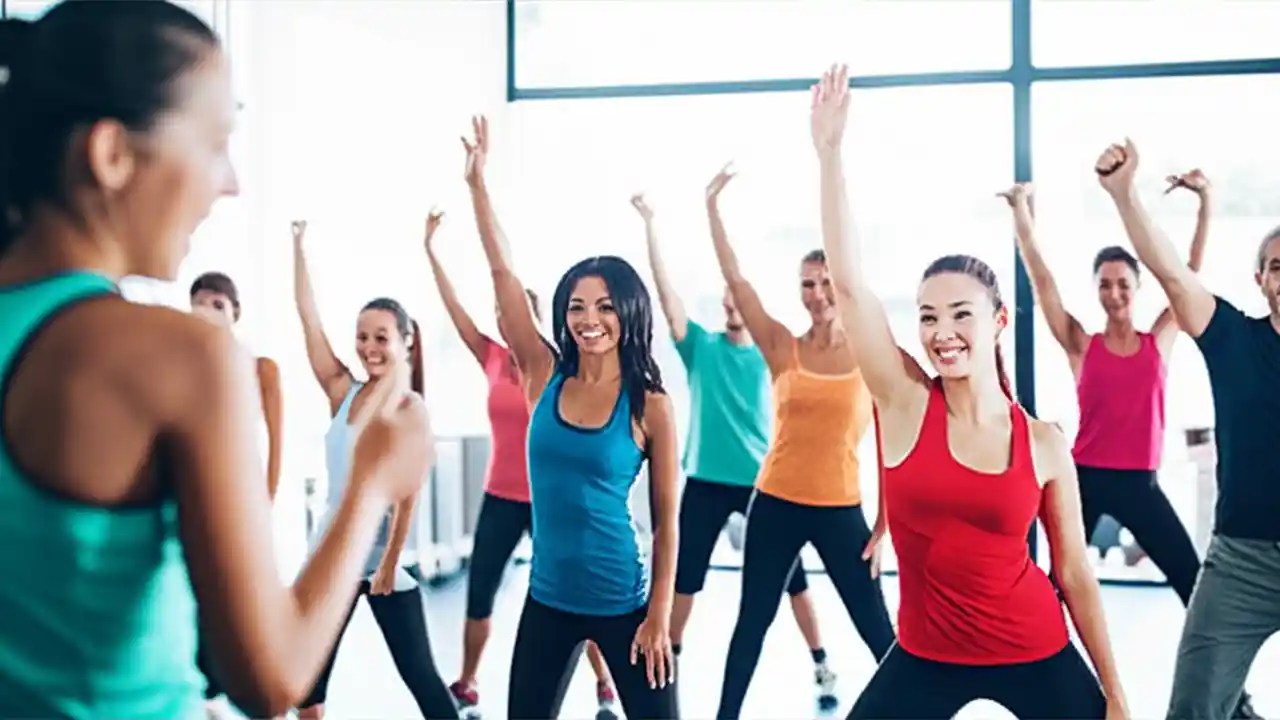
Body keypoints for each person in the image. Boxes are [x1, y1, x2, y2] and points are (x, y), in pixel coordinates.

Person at [0, 3, 430, 719]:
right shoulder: (183, 357)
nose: (230, 182)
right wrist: (372, 481)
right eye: (214, 144)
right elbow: (270, 679)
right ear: (112, 154)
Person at [801, 64, 1126, 718]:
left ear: (998, 321)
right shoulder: (904, 403)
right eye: (927, 317)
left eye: (960, 315)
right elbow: (851, 286)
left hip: (1034, 647)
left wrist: (1115, 695)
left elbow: (1074, 575)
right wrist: (829, 153)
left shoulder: (1044, 443)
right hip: (925, 655)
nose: (942, 333)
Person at [461, 114, 680, 720]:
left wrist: (659, 616)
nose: (589, 320)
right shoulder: (541, 372)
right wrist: (478, 185)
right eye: (577, 306)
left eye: (605, 307)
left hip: (625, 603)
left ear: (628, 313)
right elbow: (503, 276)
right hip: (548, 602)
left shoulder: (651, 405)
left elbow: (668, 523)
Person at [1093, 138, 1280, 720]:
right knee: (1192, 708)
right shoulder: (1233, 338)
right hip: (1241, 562)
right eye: (1278, 267)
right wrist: (1124, 195)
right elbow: (1172, 275)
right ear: (1260, 279)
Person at [629, 193, 839, 706]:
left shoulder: (773, 355)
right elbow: (668, 298)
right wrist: (651, 225)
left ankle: (821, 663)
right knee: (684, 579)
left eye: (737, 301)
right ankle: (666, 664)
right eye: (725, 302)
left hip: (762, 486)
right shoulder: (701, 348)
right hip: (704, 483)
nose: (730, 308)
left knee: (794, 581)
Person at [705, 160, 897, 718]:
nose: (816, 293)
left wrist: (886, 518)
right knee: (752, 625)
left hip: (841, 510)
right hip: (776, 503)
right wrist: (712, 208)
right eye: (807, 283)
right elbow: (738, 280)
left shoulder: (870, 352)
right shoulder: (781, 346)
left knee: (878, 630)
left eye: (825, 281)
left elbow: (892, 438)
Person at [422, 208, 620, 718]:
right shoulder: (491, 356)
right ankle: (468, 682)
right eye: (500, 313)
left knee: (579, 597)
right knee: (479, 593)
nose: (504, 320)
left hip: (551, 503)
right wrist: (431, 252)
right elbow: (455, 310)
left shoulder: (553, 366)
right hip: (501, 495)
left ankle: (605, 684)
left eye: (513, 313)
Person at [290, 220, 456, 719]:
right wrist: (298, 248)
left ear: (405, 343)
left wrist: (389, 563)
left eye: (381, 337)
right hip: (331, 559)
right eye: (362, 337)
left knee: (421, 677)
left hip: (382, 563)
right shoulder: (343, 392)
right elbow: (309, 321)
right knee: (306, 681)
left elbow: (409, 494)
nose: (368, 347)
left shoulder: (410, 408)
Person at [187, 271, 286, 716]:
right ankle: (205, 694)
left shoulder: (261, 368)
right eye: (199, 303)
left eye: (217, 304)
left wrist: (266, 501)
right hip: (196, 500)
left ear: (235, 312)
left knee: (243, 602)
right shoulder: (185, 367)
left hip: (243, 503)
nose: (207, 312)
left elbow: (276, 444)